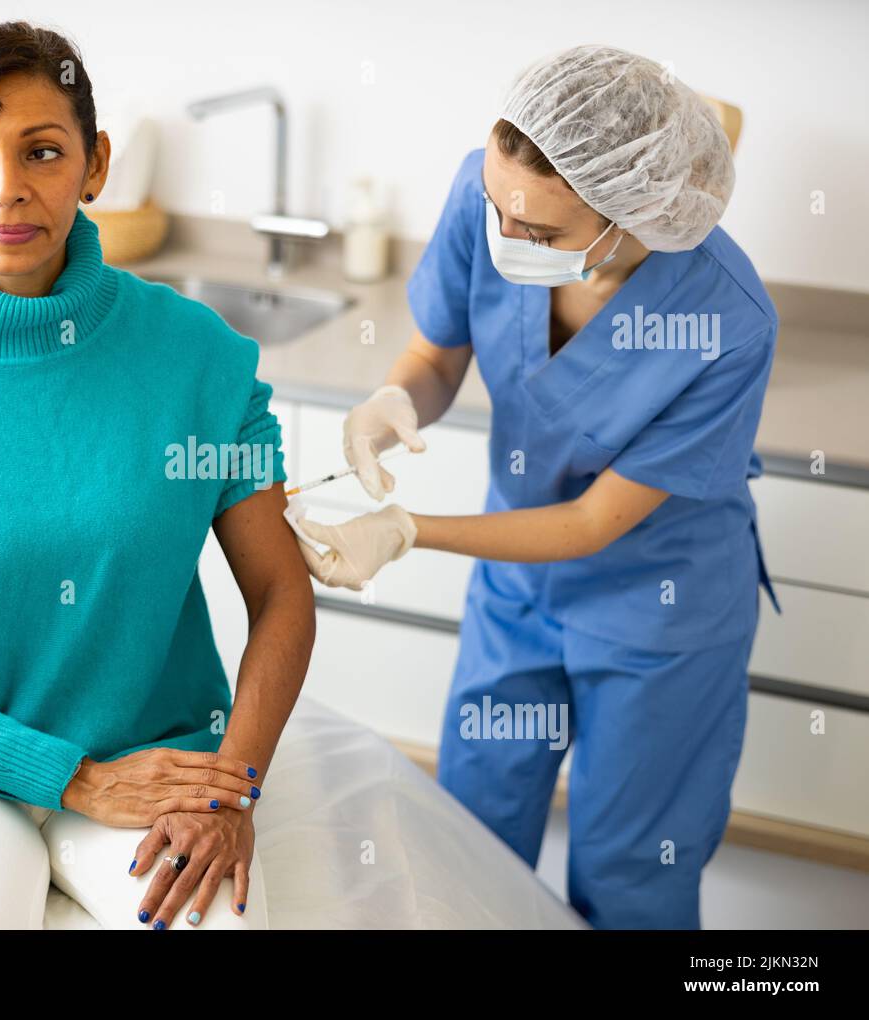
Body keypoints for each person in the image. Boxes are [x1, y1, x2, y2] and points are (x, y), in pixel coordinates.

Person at [0, 21, 315, 930]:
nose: (7, 190)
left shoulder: (198, 359)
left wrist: (231, 792)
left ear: (96, 163)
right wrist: (75, 780)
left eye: (41, 150)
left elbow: (280, 593)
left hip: (153, 751)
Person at [291, 44, 780, 929]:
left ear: (638, 215)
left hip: (659, 613)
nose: (507, 238)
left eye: (544, 235)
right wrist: (395, 398)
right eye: (498, 211)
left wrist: (408, 529)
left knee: (632, 867)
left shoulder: (728, 321)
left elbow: (595, 521)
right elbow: (438, 354)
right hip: (517, 585)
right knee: (468, 833)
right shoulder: (493, 191)